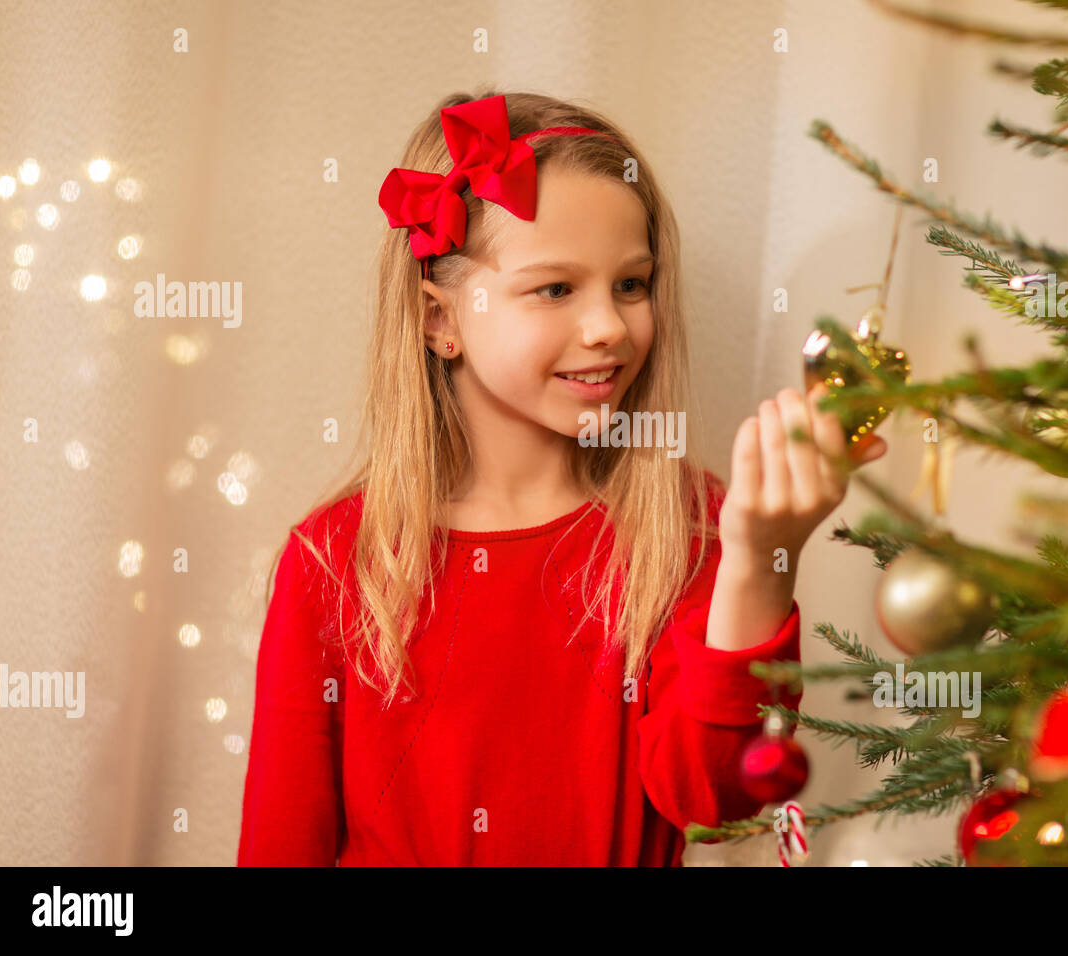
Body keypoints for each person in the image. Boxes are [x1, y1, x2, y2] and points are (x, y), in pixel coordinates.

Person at [237, 90, 885, 866]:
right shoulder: (334, 563)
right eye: (555, 288)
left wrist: (759, 561)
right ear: (439, 319)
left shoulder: (688, 527)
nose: (609, 325)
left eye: (632, 284)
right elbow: (282, 845)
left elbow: (718, 799)